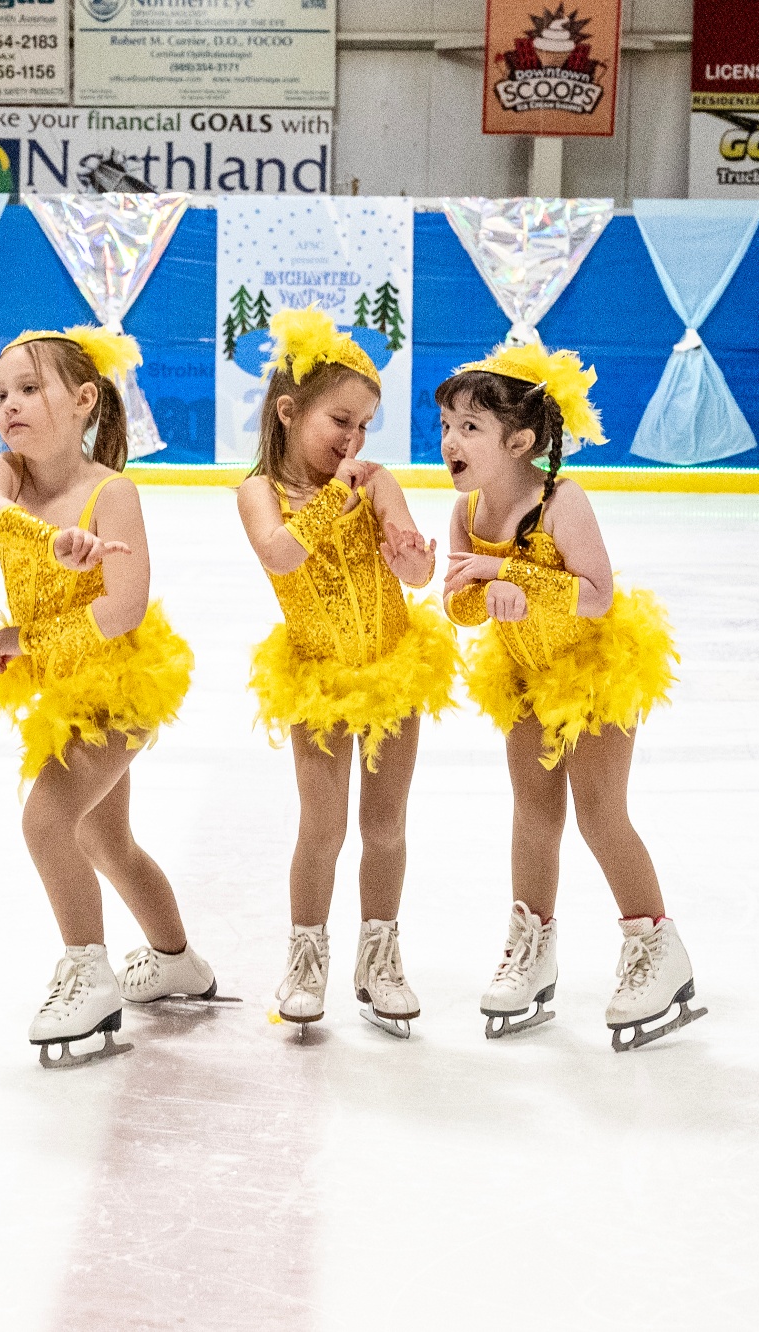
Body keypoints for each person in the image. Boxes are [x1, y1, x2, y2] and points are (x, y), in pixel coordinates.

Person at [0, 327, 218, 1068]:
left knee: (47, 821)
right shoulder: (3, 475)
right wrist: (49, 543)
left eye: (28, 388)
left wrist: (32, 639)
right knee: (106, 841)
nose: (9, 404)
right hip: (62, 687)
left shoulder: (112, 492)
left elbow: (123, 609)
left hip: (121, 686)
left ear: (82, 400)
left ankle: (87, 971)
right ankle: (177, 960)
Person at [437, 340, 701, 1051]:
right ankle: (532, 948)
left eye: (470, 427)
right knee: (533, 815)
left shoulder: (560, 501)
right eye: (446, 425)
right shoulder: (466, 511)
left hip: (593, 671)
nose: (450, 441)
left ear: (519, 441)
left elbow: (596, 593)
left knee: (599, 814)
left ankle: (657, 948)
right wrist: (485, 590)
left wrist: (511, 577)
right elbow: (457, 602)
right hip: (525, 676)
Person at [236, 308, 457, 1039]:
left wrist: (412, 558)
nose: (354, 441)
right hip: (319, 680)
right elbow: (280, 554)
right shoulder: (261, 492)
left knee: (385, 826)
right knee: (323, 826)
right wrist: (337, 496)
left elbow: (416, 573)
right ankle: (306, 959)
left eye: (364, 427)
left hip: (393, 670)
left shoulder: (376, 481)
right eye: (340, 421)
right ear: (288, 411)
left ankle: (380, 955)